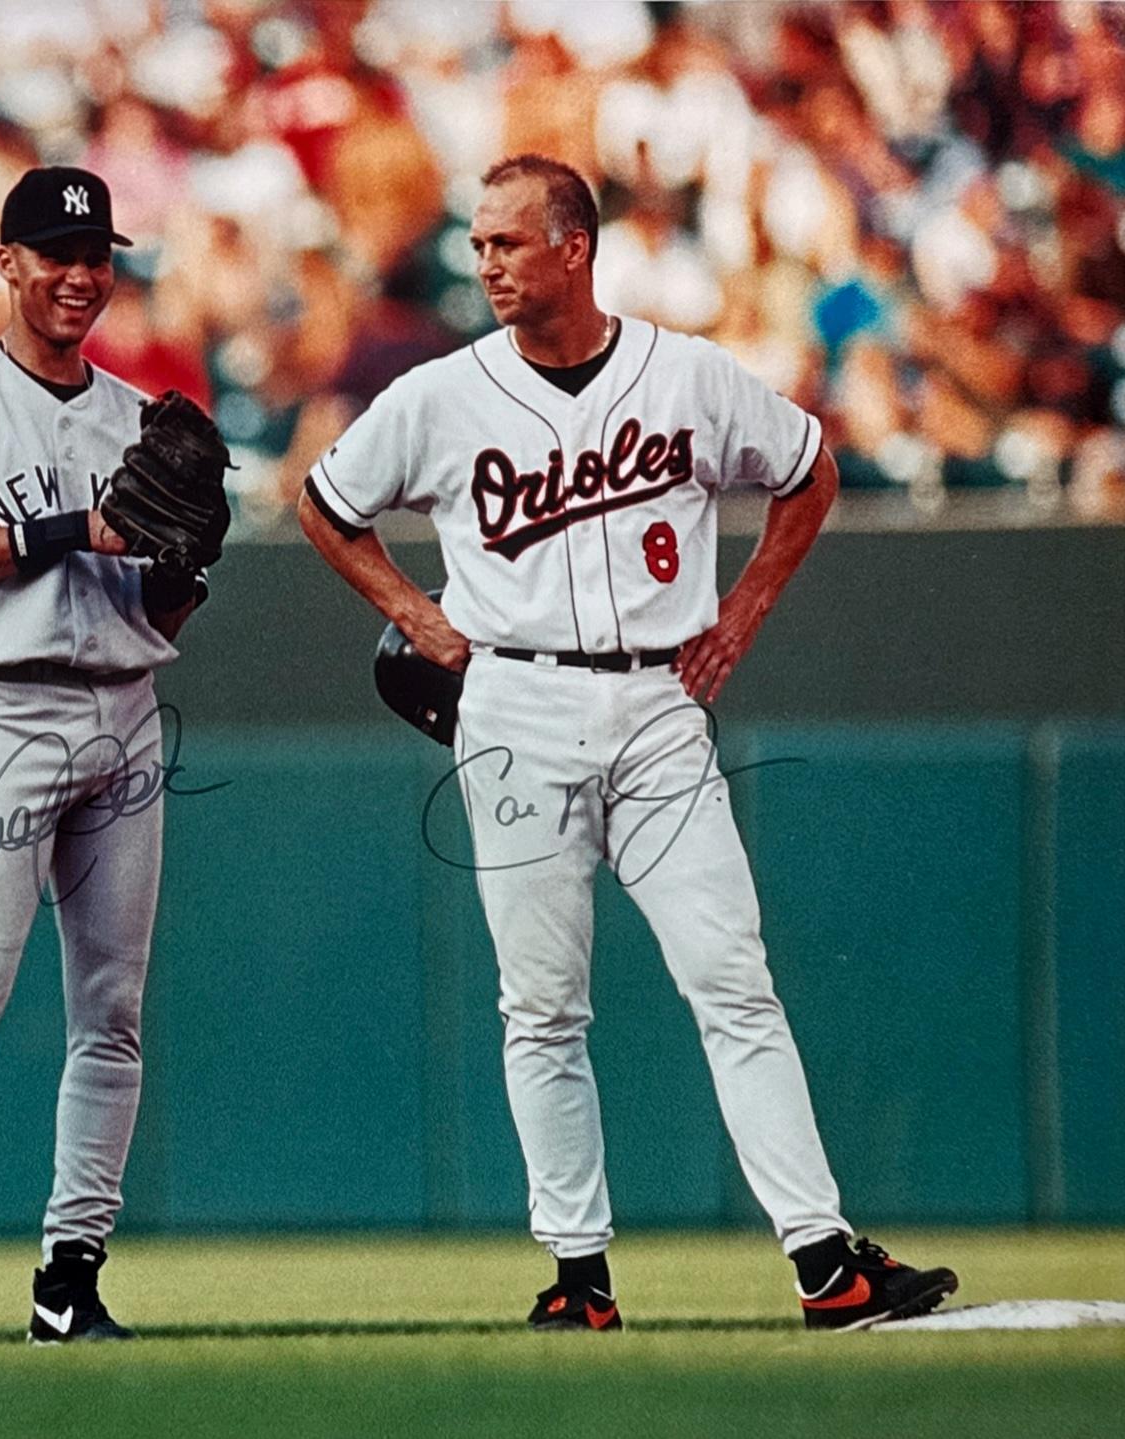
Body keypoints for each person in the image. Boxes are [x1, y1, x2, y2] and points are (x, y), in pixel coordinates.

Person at [297, 154, 959, 1333]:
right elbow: (325, 502)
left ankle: (824, 1259)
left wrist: (744, 607)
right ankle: (578, 1274)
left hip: (656, 705)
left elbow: (807, 468)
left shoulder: (684, 373)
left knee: (732, 979)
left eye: (507, 241)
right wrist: (407, 607)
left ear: (574, 247)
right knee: (541, 1005)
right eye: (478, 244)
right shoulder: (443, 394)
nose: (486, 263)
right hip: (514, 701)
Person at [0, 166, 206, 1346]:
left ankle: (71, 1275)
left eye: (95, 255)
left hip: (123, 708)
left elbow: (158, 607)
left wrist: (185, 567)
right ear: (6, 262)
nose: (78, 274)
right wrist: (73, 527)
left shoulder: (138, 417)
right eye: (56, 253)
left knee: (111, 1011)